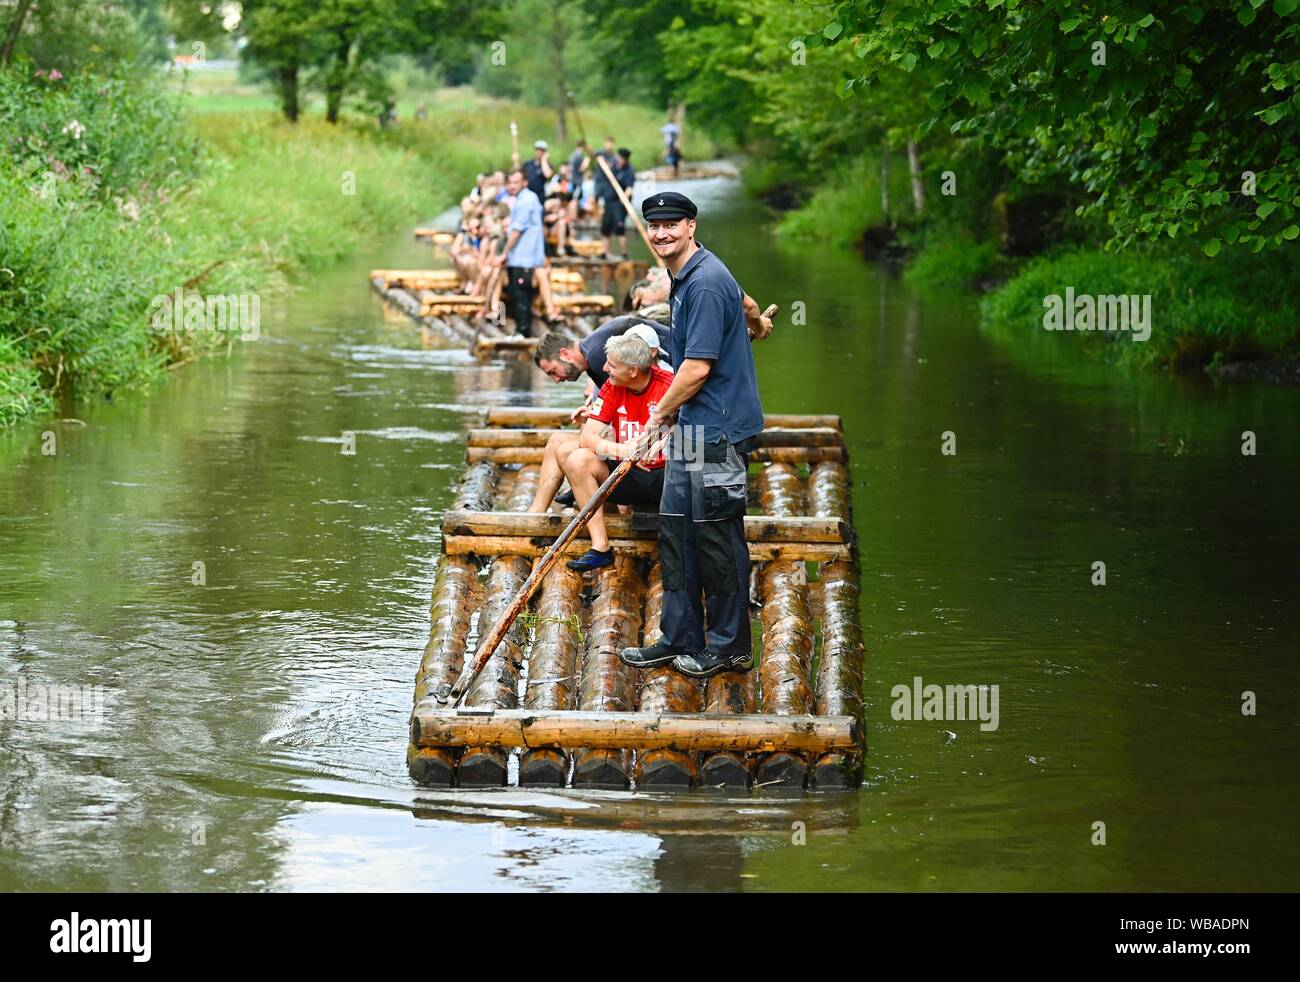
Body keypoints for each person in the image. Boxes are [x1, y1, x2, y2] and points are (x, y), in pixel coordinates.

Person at [620, 191, 773, 678]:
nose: (662, 233)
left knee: (715, 538)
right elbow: (746, 301)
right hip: (692, 425)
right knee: (678, 531)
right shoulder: (686, 274)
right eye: (654, 227)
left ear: (691, 226)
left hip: (717, 431)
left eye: (672, 225)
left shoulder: (704, 282)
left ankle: (730, 647)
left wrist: (656, 415)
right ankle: (679, 636)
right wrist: (758, 324)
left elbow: (696, 369)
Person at [528, 314, 671, 514]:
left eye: (553, 371)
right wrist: (594, 412)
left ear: (564, 354)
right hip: (634, 441)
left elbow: (629, 412)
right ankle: (537, 512)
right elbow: (617, 405)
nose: (556, 380)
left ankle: (593, 501)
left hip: (648, 451)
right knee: (557, 441)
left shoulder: (597, 356)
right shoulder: (594, 356)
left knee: (564, 448)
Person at [562, 334, 674, 572]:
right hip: (627, 475)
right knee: (578, 459)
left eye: (611, 365)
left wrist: (665, 444)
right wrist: (622, 450)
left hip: (668, 477)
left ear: (633, 370)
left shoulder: (671, 385)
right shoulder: (611, 387)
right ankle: (600, 547)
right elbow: (587, 437)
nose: (604, 369)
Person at [493, 168, 555, 336]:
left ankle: (522, 332)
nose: (512, 186)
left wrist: (505, 253)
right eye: (510, 182)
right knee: (518, 295)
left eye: (515, 182)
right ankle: (516, 328)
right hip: (522, 258)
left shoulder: (526, 201)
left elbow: (516, 231)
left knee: (522, 297)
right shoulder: (525, 199)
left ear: (524, 183)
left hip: (523, 258)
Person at [600, 148, 635, 257]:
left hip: (619, 204)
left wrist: (624, 196)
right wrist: (600, 159)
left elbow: (630, 188)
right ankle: (605, 253)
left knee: (619, 228)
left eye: (621, 158)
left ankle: (624, 253)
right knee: (606, 228)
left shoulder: (629, 170)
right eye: (618, 158)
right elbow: (604, 162)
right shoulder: (613, 166)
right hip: (609, 202)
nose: (619, 160)